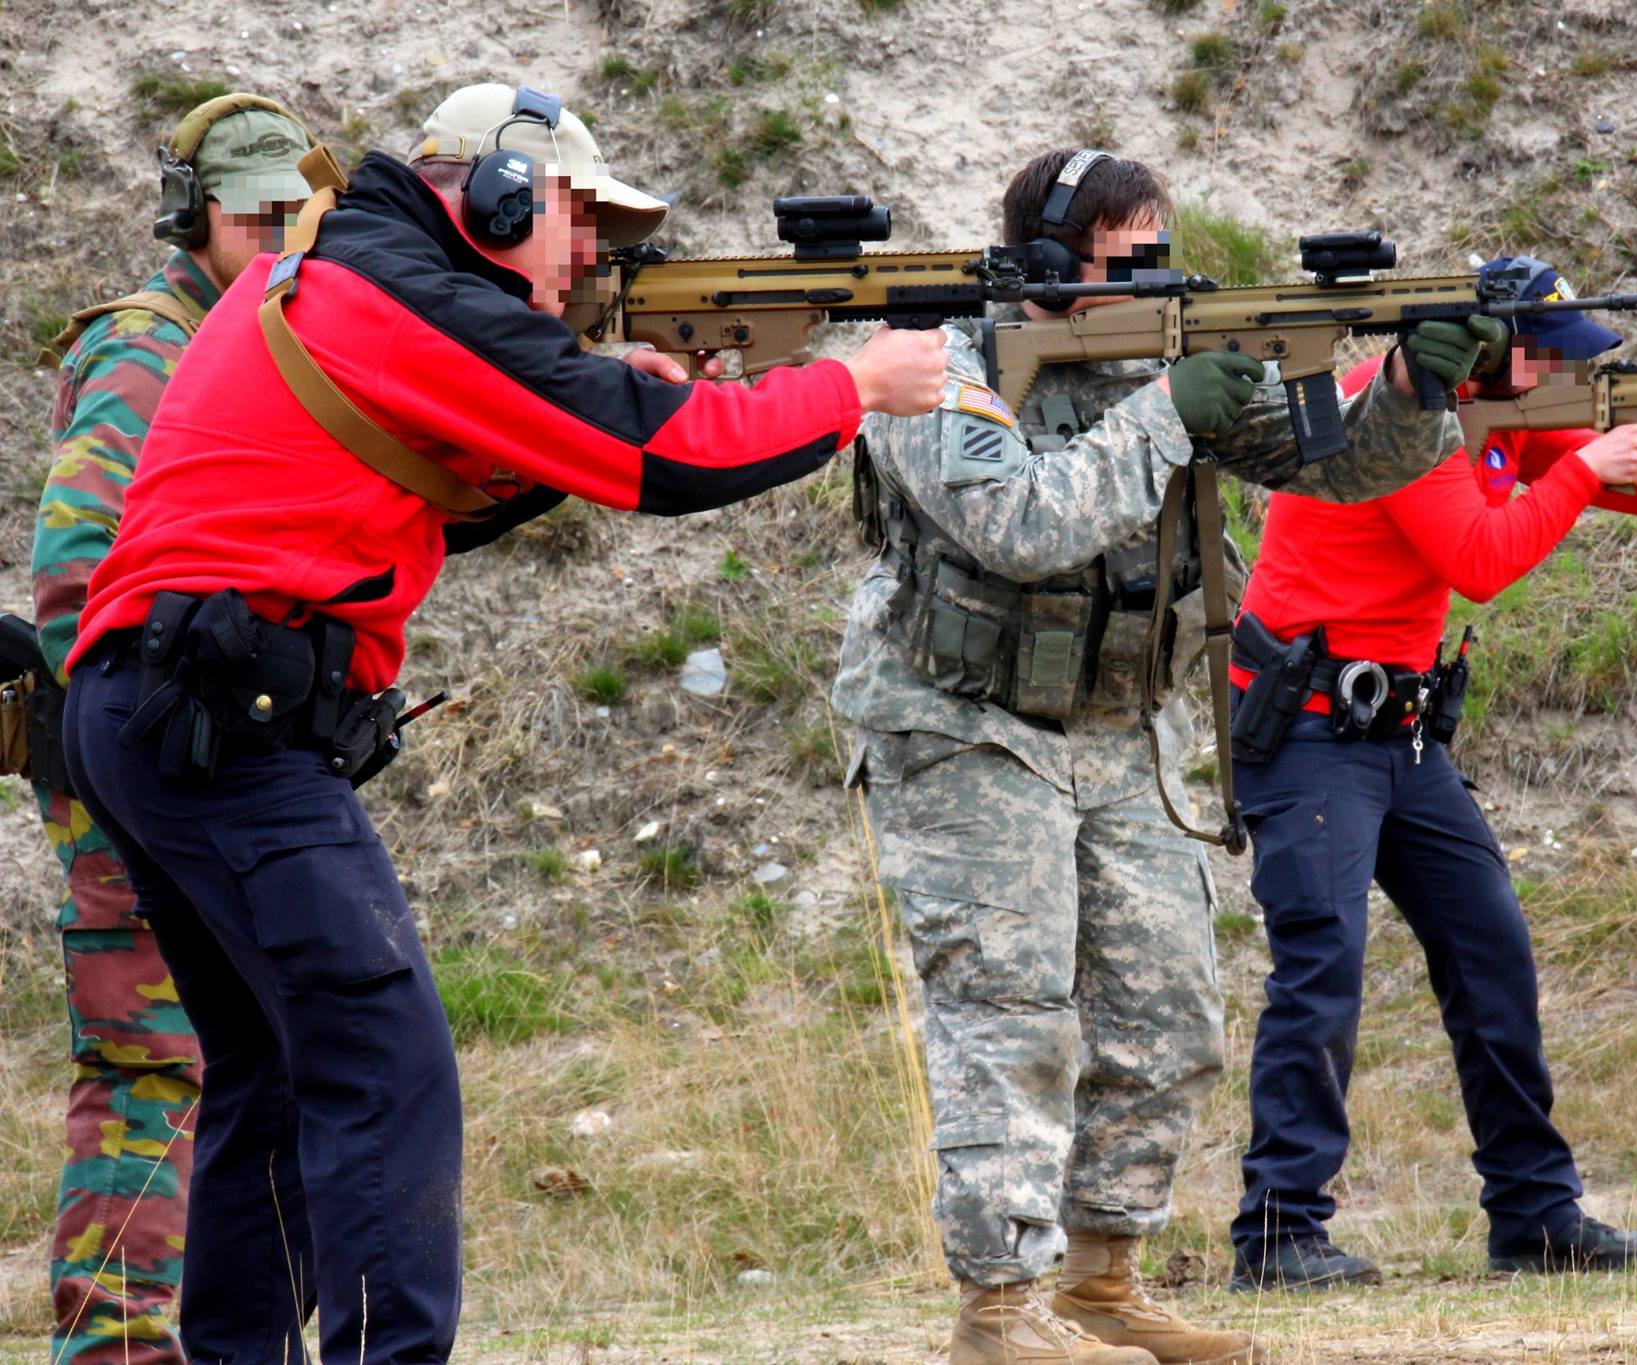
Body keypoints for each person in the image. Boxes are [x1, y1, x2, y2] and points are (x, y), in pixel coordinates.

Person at [59, 82, 947, 1365]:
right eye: (578, 218)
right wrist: (849, 386)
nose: (590, 255)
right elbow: (664, 457)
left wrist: (590, 396)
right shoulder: (395, 291)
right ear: (497, 195)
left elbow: (445, 475)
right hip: (220, 727)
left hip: (157, 710)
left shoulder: (342, 279)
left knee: (275, 1077)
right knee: (385, 1065)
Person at [834, 147, 1489, 1365]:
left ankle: (1100, 1280)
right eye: (1129, 256)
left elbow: (1330, 468)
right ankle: (995, 1306)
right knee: (1010, 1012)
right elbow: (1023, 525)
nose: (1159, 275)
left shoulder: (1149, 359)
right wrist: (1163, 409)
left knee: (1165, 1008)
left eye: (1161, 249)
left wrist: (1408, 387)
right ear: (1046, 264)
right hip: (966, 727)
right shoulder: (937, 366)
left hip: (1119, 724)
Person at [1224, 256, 1637, 1290]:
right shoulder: (1393, 421)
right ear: (1479, 353)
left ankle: (1533, 1216)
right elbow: (1480, 557)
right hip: (1310, 729)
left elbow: (1636, 473)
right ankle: (1277, 1232)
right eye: (1545, 352)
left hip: (1398, 731)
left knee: (1491, 952)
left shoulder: (1502, 408)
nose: (1562, 371)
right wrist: (1581, 469)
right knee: (1321, 970)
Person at [28, 91, 317, 1365]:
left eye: (293, 221)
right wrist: (149, 752)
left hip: (196, 771)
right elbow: (74, 576)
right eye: (255, 220)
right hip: (134, 771)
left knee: (246, 1067)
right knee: (155, 1075)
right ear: (194, 215)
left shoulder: (255, 335)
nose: (278, 244)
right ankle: (118, 1356)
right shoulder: (150, 348)